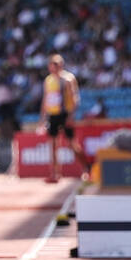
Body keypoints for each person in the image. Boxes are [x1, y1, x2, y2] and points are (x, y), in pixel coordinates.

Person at [37, 54, 88, 182]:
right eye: (52, 65)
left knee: (71, 144)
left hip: (65, 114)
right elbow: (46, 99)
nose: (53, 67)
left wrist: (71, 116)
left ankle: (86, 169)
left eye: (56, 65)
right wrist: (42, 117)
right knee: (53, 144)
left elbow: (75, 98)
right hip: (53, 115)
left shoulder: (68, 79)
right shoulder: (48, 80)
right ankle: (55, 173)